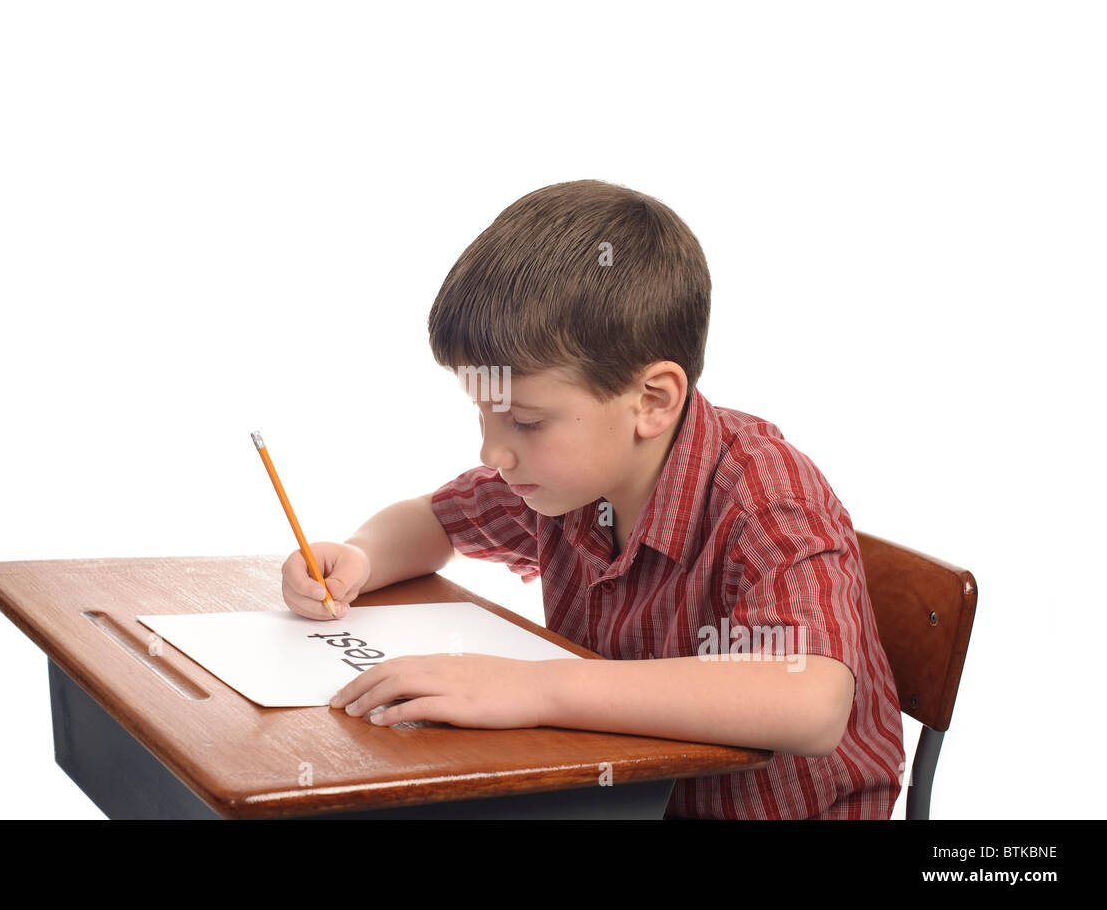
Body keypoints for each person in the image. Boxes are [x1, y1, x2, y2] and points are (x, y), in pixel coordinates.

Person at [281, 179, 904, 819]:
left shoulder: (766, 493)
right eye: (484, 414)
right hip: (619, 800)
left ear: (653, 401)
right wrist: (358, 556)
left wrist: (535, 688)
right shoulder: (569, 481)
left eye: (524, 422)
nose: (493, 452)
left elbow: (810, 702)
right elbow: (433, 521)